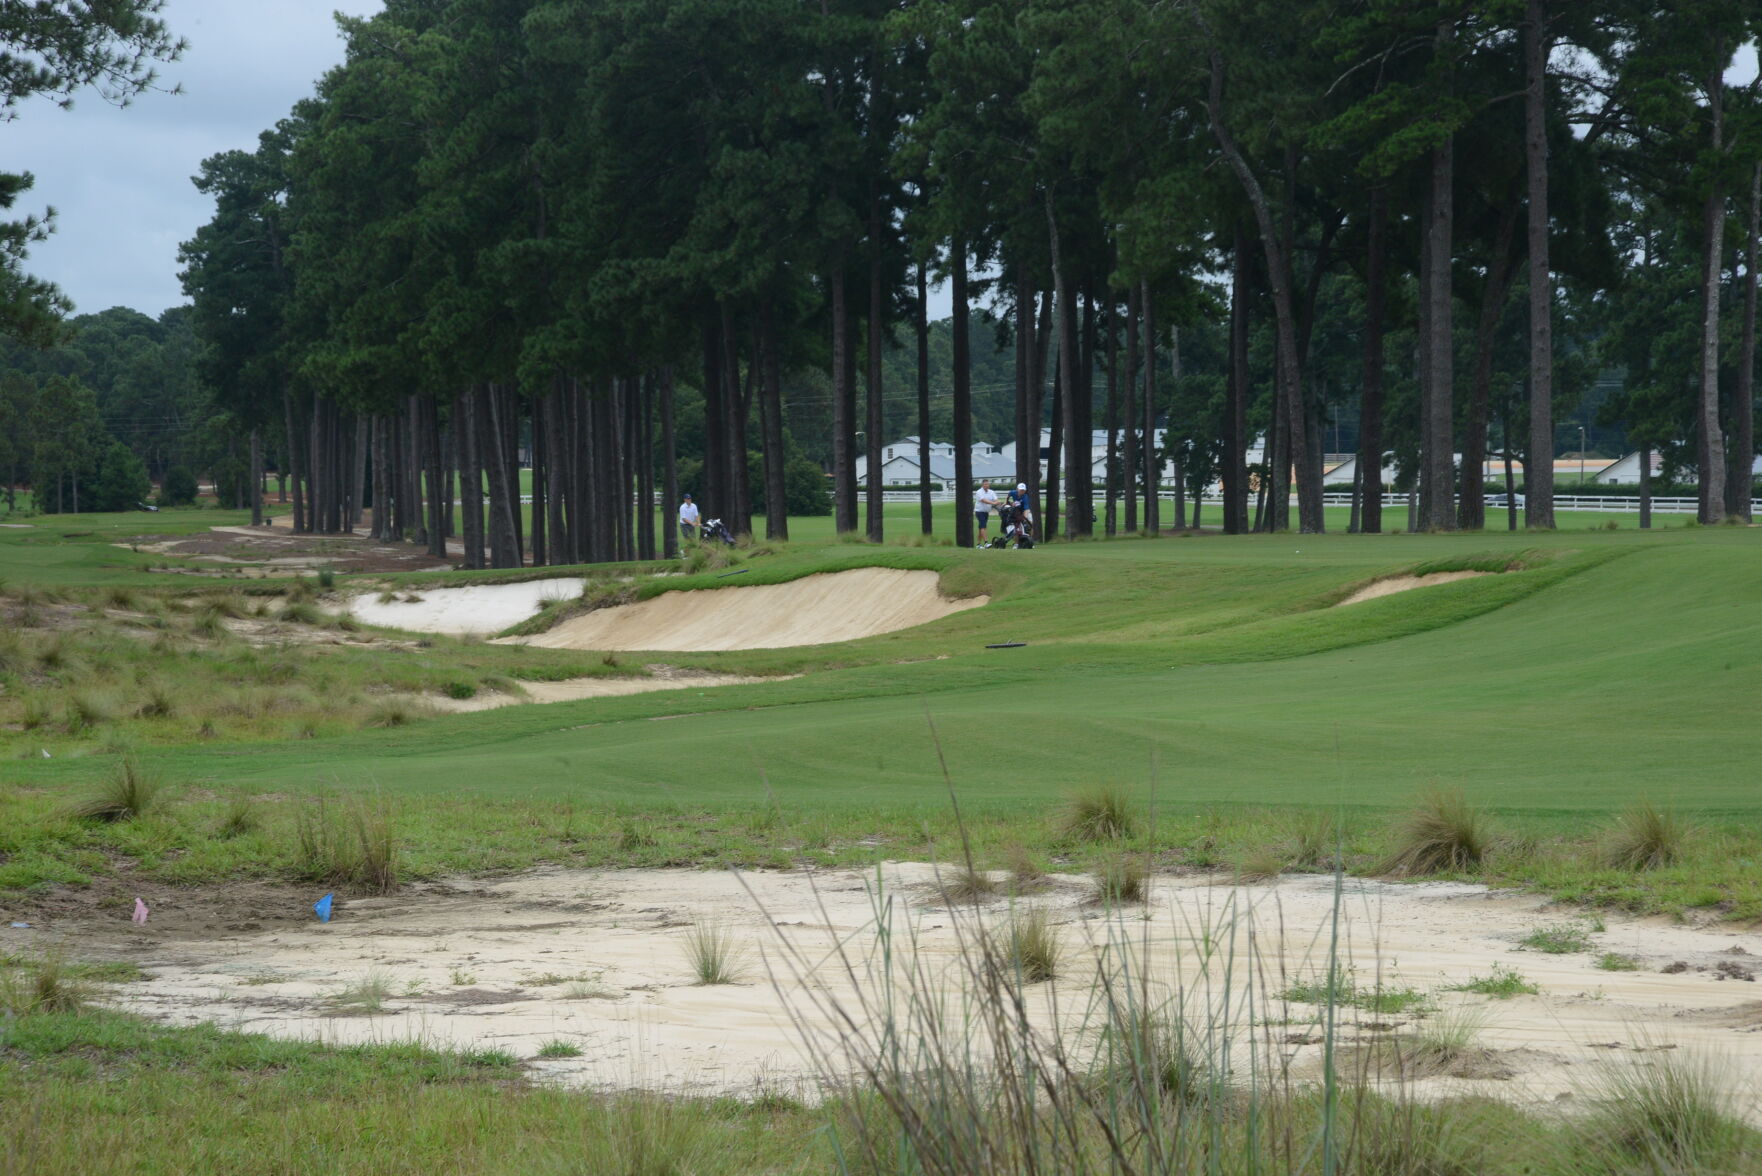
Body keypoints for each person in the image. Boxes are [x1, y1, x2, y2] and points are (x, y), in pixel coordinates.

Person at [974, 479, 1000, 545]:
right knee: (983, 526)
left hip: (986, 512)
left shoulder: (991, 492)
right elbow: (983, 500)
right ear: (982, 485)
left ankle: (978, 544)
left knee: (981, 528)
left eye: (988, 484)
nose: (987, 485)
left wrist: (996, 502)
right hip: (979, 512)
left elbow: (996, 500)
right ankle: (986, 543)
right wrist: (993, 503)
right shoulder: (979, 492)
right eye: (985, 484)